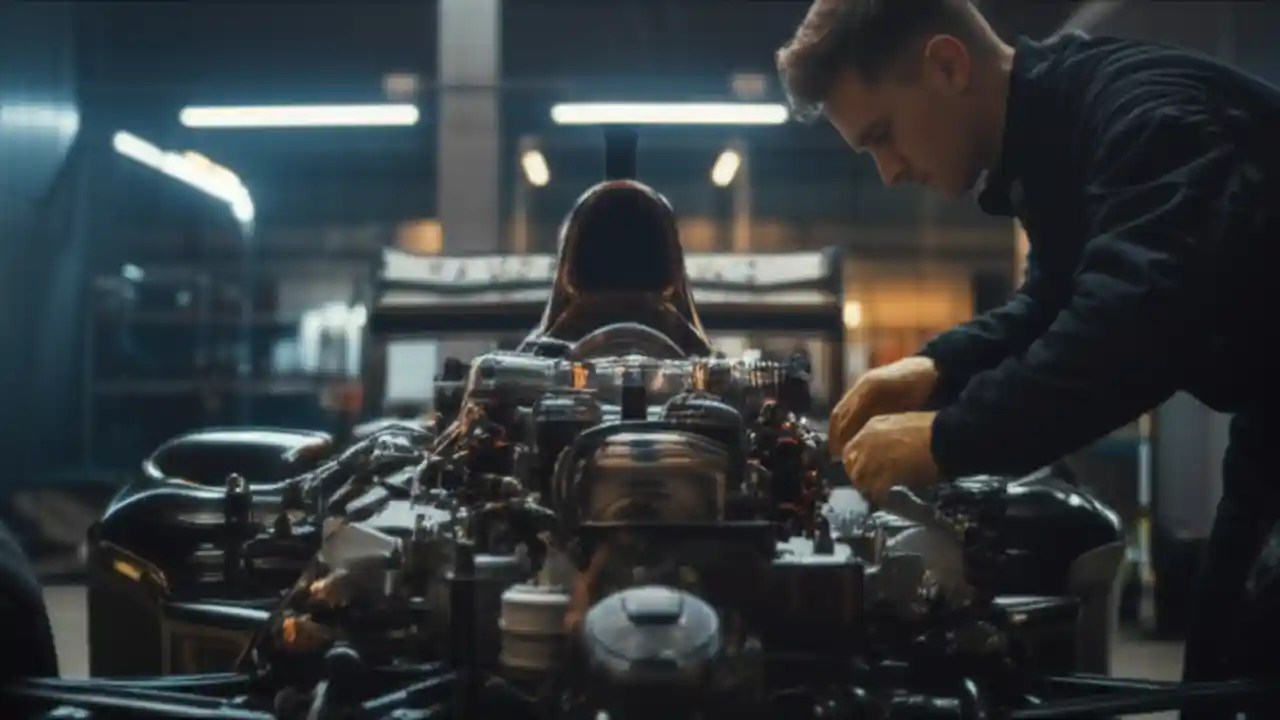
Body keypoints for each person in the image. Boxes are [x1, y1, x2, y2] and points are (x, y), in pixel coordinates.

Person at [775, 0, 1278, 714]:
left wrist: (947, 437)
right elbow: (1054, 302)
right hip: (1269, 425)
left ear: (947, 65)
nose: (886, 173)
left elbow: (1126, 333)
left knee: (1256, 659)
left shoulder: (1144, 119)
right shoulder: (1052, 138)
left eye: (882, 136)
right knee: (1218, 675)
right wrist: (936, 369)